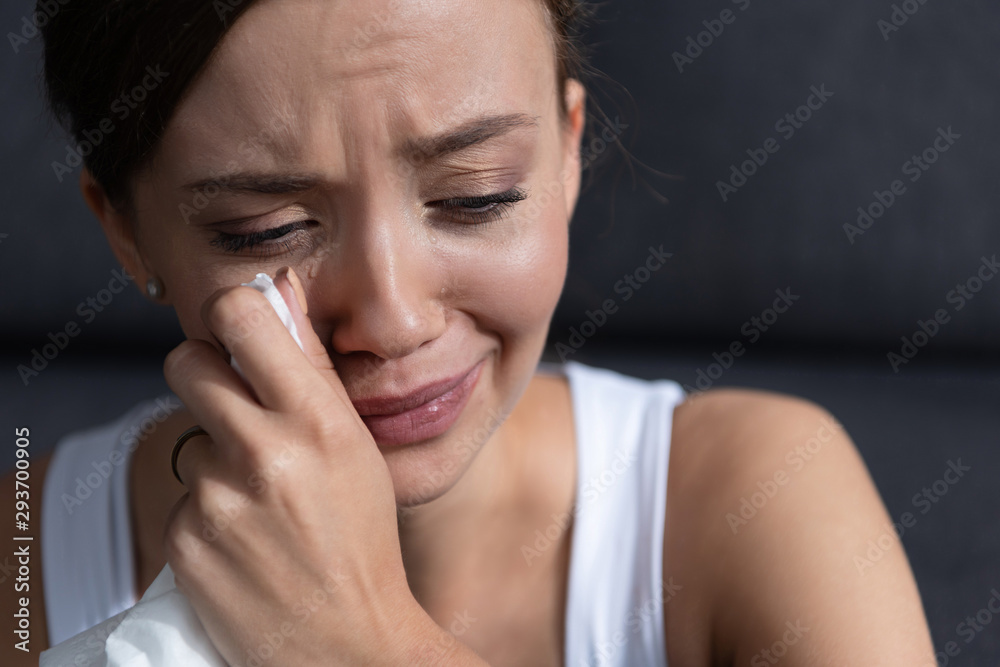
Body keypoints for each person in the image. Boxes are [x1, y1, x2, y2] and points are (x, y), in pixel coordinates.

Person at [2, 0, 936, 664]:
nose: (394, 319)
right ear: (125, 230)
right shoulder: (24, 556)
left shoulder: (757, 498)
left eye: (473, 197)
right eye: (266, 232)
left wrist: (363, 641)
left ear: (569, 152)